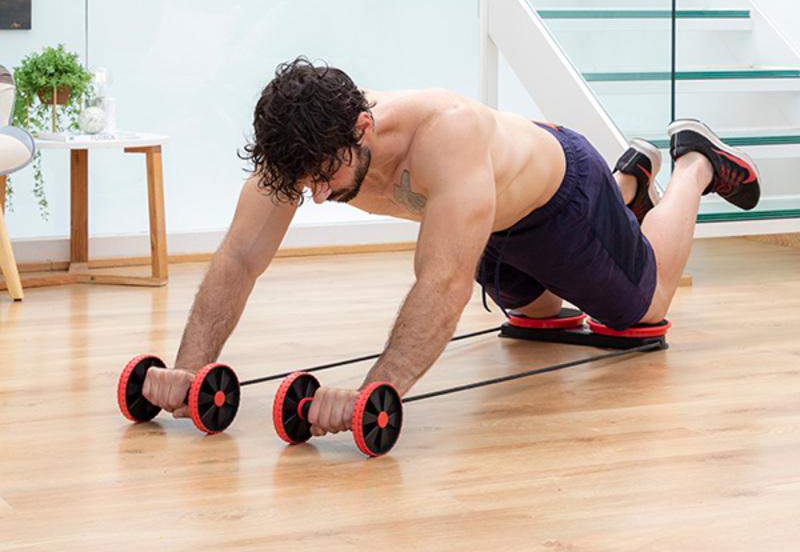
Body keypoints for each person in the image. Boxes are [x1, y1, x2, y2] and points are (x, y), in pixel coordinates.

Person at [143, 57, 760, 436]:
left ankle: (691, 164)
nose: (320, 196)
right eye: (305, 183)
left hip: (560, 197)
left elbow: (441, 283)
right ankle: (631, 176)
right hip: (489, 219)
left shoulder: (445, 133)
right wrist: (186, 372)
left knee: (638, 313)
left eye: (324, 177)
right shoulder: (305, 149)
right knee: (541, 320)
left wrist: (369, 397)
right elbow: (239, 259)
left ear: (364, 127)